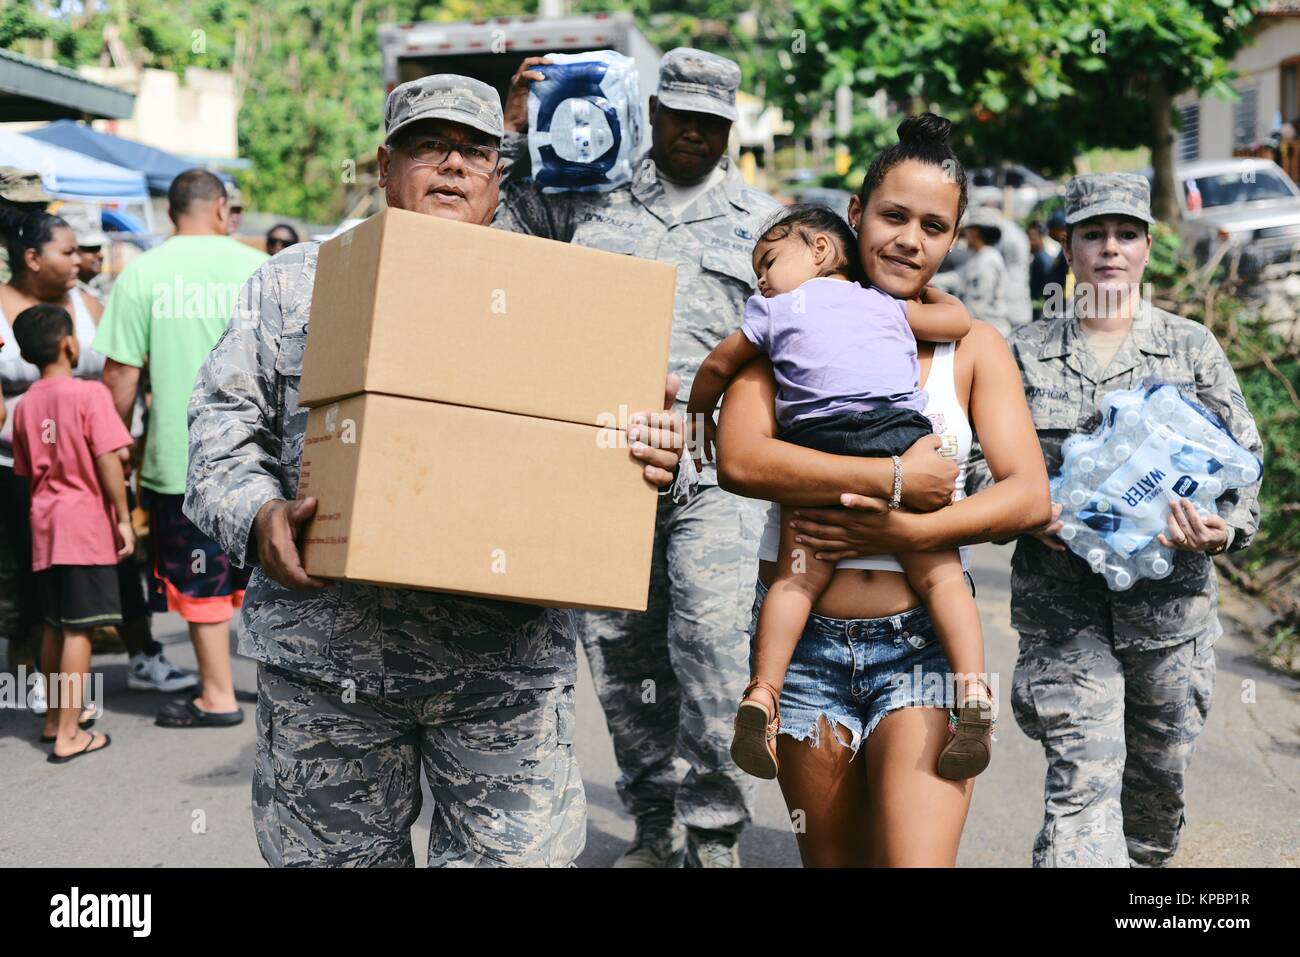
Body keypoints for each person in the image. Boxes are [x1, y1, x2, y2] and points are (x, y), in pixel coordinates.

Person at [184, 74, 685, 867]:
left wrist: (659, 451)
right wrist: (258, 516)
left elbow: (633, 460)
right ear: (384, 165)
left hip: (502, 671)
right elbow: (219, 432)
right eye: (427, 145)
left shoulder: (562, 297)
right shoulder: (292, 283)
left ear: (498, 174)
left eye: (474, 151)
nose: (452, 165)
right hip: (329, 667)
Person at [713, 113, 1051, 866]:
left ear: (956, 236)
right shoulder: (802, 320)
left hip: (921, 648)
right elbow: (740, 457)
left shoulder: (970, 346)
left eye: (934, 226)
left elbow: (1031, 494)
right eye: (893, 215)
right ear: (856, 214)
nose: (909, 239)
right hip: (805, 653)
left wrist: (909, 532)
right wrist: (895, 478)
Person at [495, 47, 781, 868]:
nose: (694, 133)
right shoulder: (585, 197)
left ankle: (715, 831)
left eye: (712, 122)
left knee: (717, 648)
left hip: (714, 467)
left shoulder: (766, 224)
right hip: (605, 461)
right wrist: (519, 127)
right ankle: (655, 819)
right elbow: (490, 225)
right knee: (621, 659)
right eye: (680, 115)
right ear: (650, 113)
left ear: (730, 127)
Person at [969, 173, 1264, 867]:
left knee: (1154, 802)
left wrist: (1223, 529)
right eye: (1092, 234)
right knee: (1083, 788)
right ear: (1065, 247)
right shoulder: (1022, 352)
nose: (1109, 249)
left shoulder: (1189, 349)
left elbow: (1244, 461)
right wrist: (1027, 506)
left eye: (1126, 233)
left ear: (1147, 247)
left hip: (1170, 615)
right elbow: (977, 466)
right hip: (1062, 611)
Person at [686, 203, 995, 784]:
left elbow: (719, 363)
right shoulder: (883, 304)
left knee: (797, 578)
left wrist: (700, 409)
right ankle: (973, 688)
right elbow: (956, 325)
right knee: (942, 575)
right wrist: (937, 300)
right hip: (897, 440)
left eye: (768, 260)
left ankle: (764, 694)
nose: (760, 277)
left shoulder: (774, 311)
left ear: (821, 251)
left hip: (821, 451)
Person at [95, 169, 267, 728]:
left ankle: (216, 695)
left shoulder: (142, 275)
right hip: (263, 456)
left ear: (172, 213)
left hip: (182, 461)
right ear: (221, 209)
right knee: (267, 572)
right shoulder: (259, 269)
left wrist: (116, 446)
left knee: (201, 576)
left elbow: (120, 376)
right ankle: (275, 689)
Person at [10, 304, 135, 761]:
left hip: (44, 525)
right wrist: (122, 517)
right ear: (69, 344)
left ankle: (52, 721)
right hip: (83, 526)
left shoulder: (24, 407)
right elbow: (108, 457)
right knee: (81, 630)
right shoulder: (90, 395)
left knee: (54, 626)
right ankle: (69, 732)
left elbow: (26, 469)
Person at [953, 207, 1011, 335]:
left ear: (975, 232)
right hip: (984, 329)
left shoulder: (987, 261)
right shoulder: (980, 256)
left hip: (989, 331)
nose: (965, 235)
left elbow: (978, 305)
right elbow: (957, 277)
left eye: (967, 231)